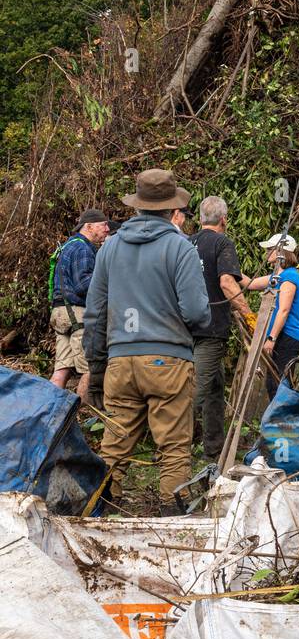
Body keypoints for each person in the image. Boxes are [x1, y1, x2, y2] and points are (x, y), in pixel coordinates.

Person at [83, 169, 211, 515]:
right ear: (173, 211)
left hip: (120, 361)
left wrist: (95, 365)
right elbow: (198, 313)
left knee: (115, 446)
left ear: (138, 207)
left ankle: (98, 512)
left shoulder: (109, 248)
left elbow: (95, 311)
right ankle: (173, 519)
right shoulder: (180, 247)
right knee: (173, 448)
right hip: (167, 360)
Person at [190, 196, 252, 463]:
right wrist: (249, 316)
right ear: (224, 219)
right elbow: (227, 283)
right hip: (211, 329)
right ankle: (174, 451)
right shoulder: (222, 243)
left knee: (215, 387)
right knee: (196, 390)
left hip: (185, 326)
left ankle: (213, 449)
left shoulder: (185, 243)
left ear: (200, 218)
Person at [50, 209, 110, 402]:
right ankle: (84, 416)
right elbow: (83, 284)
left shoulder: (69, 245)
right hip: (76, 312)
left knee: (62, 370)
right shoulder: (83, 249)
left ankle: (49, 414)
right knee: (90, 368)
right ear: (89, 226)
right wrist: (108, 278)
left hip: (60, 311)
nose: (107, 229)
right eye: (103, 225)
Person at [248, 234, 299, 398]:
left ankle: (284, 421)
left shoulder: (290, 276)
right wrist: (228, 270)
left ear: (281, 252)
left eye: (269, 249)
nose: (266, 252)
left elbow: (284, 310)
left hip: (287, 338)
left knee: (279, 386)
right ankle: (281, 420)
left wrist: (271, 339)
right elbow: (249, 284)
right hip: (280, 337)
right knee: (273, 384)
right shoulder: (277, 277)